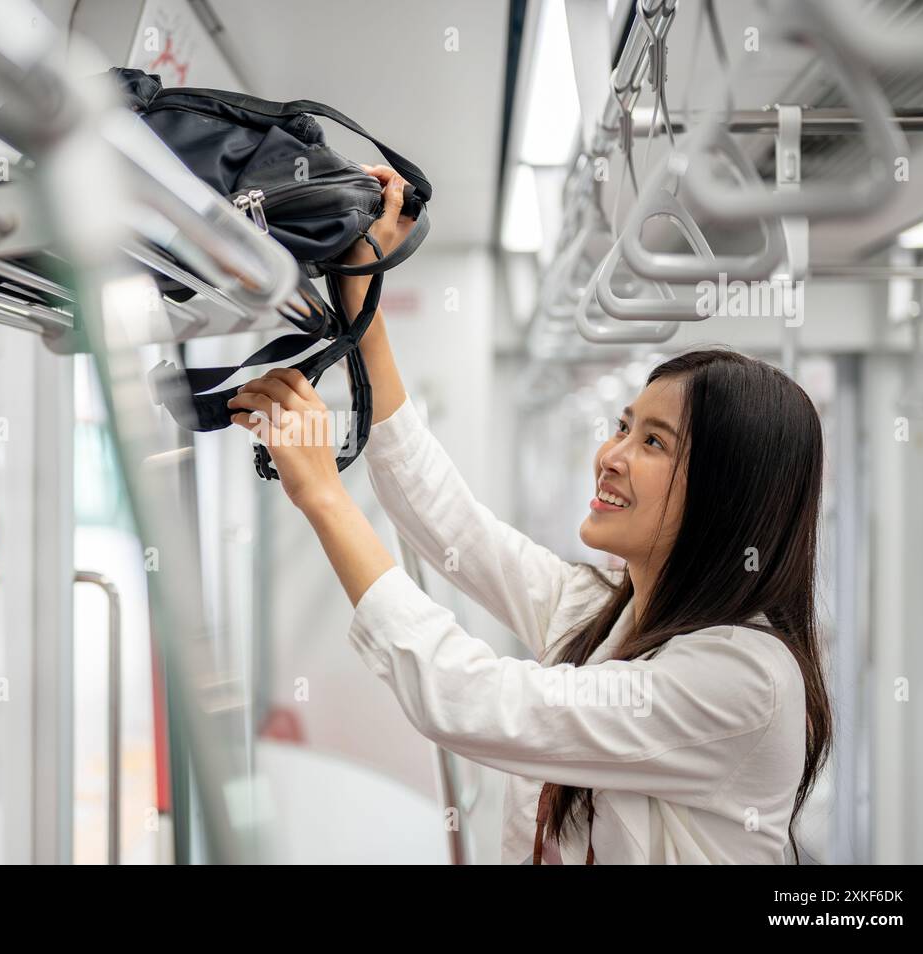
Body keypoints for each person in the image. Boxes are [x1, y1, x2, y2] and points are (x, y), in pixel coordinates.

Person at [226, 164, 832, 865]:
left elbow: (466, 696)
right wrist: (363, 297)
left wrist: (324, 496)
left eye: (655, 442)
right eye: (623, 425)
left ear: (726, 497)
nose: (611, 454)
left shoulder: (745, 679)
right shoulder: (611, 613)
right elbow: (451, 525)